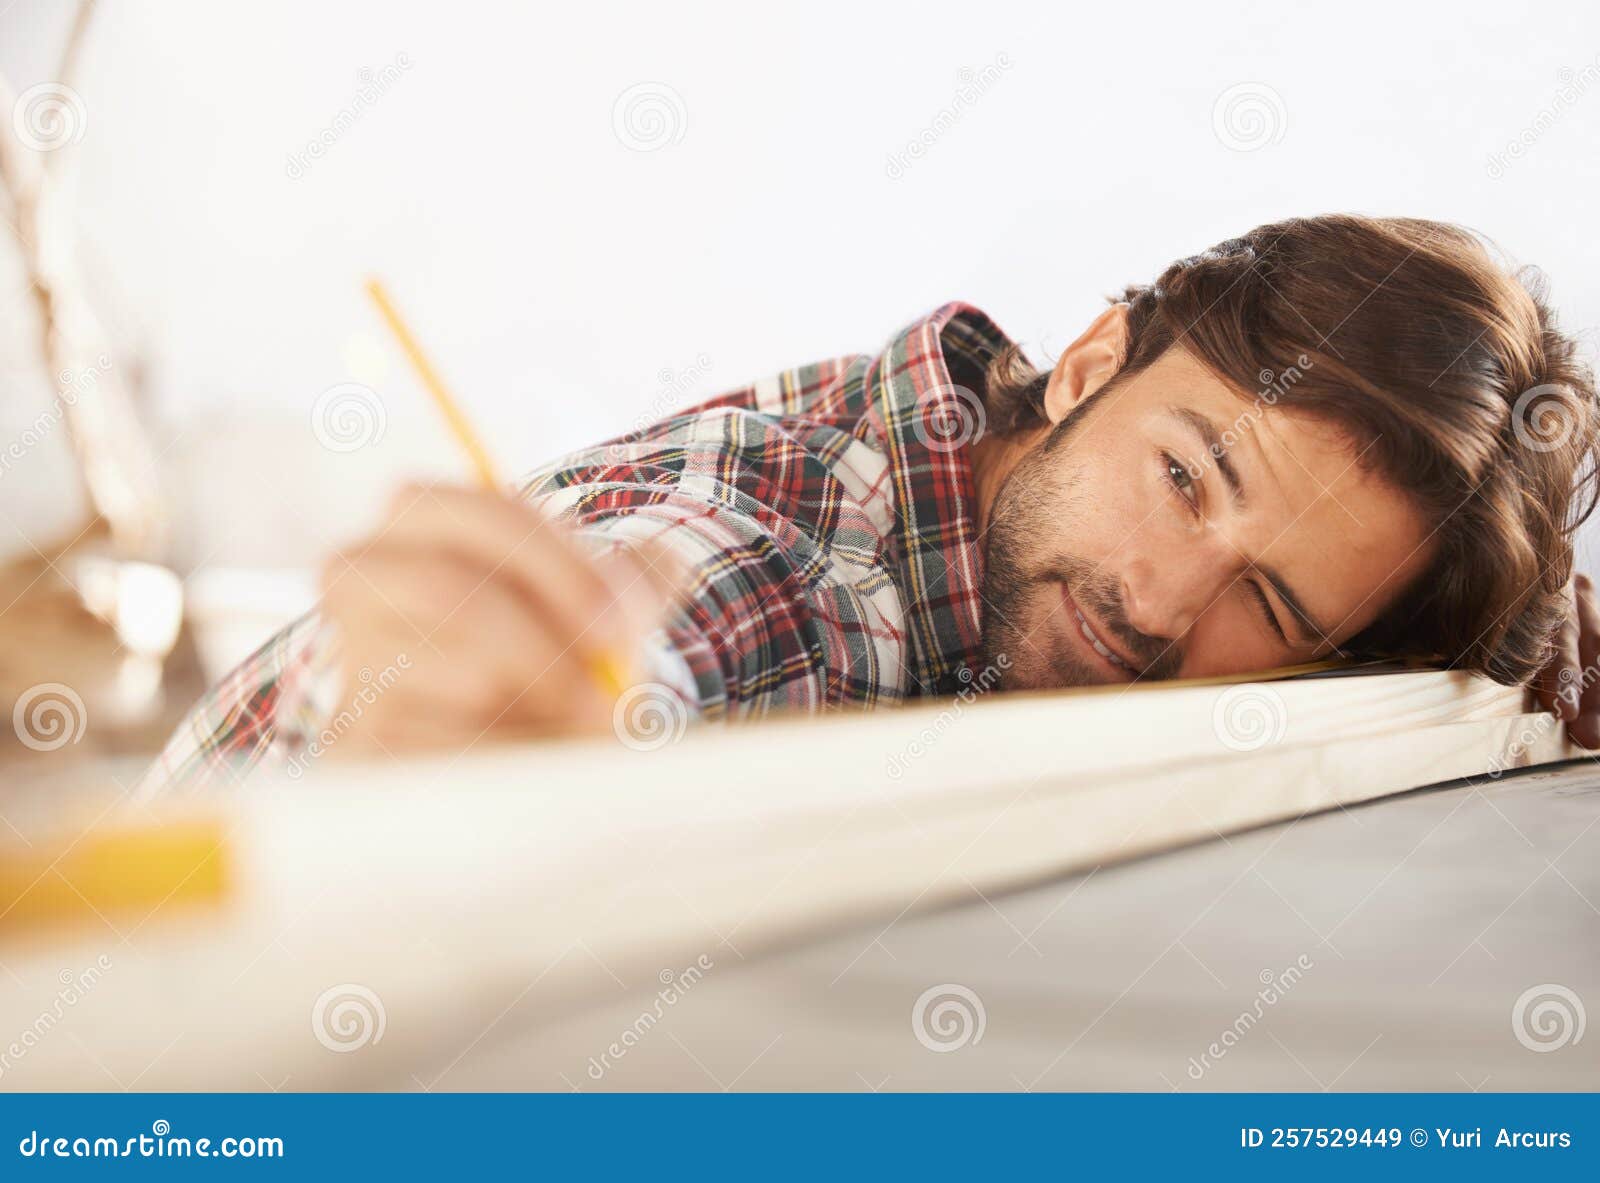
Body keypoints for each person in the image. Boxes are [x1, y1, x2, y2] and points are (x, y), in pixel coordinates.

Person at [137, 214, 1600, 794]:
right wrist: (468, 758)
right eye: (1182, 478)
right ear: (1092, 358)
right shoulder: (800, 578)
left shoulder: (963, 474)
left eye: (1267, 606)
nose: (1161, 605)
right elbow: (701, 610)